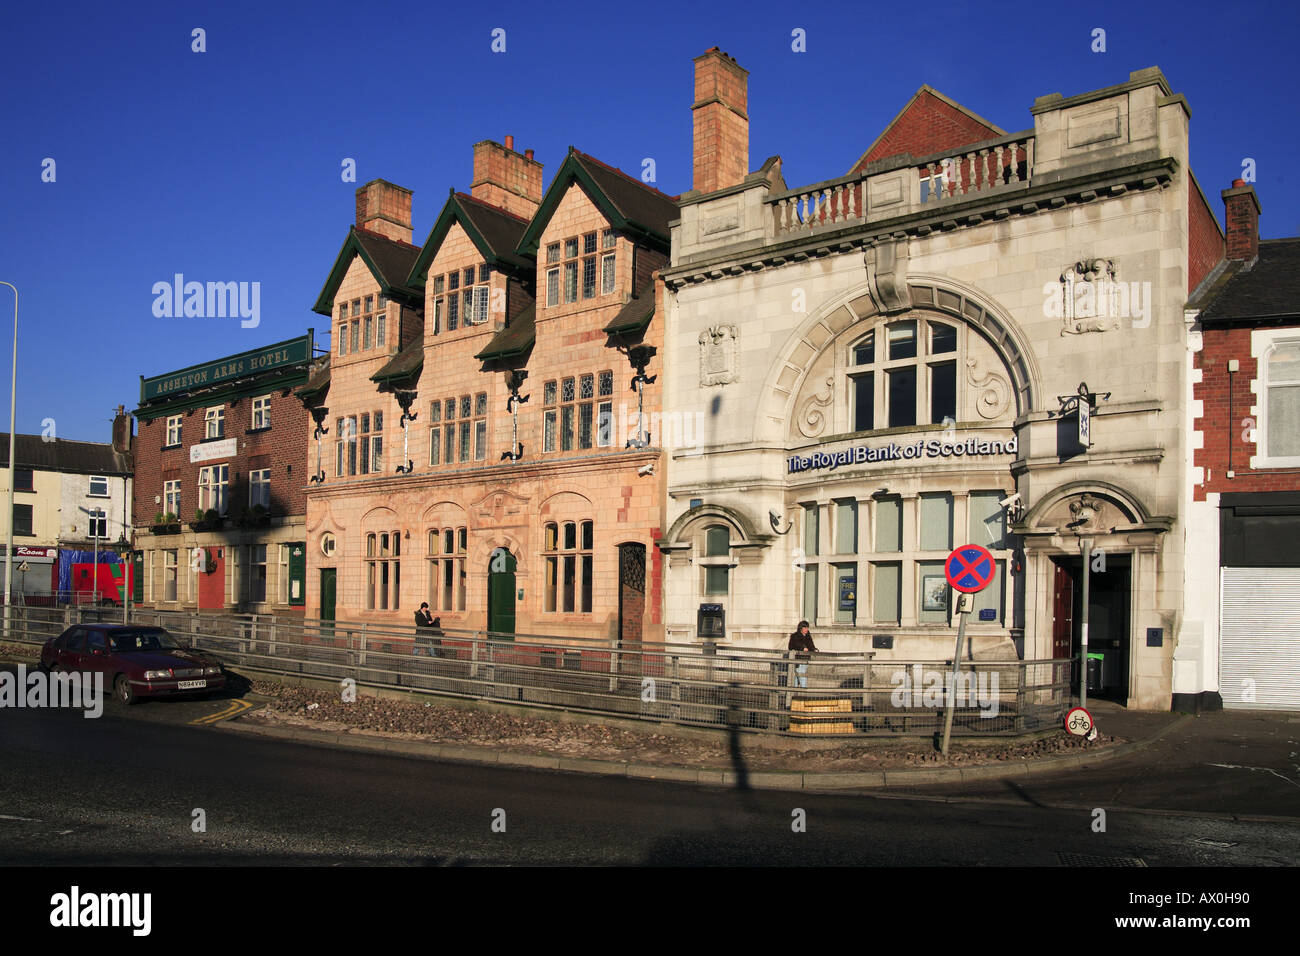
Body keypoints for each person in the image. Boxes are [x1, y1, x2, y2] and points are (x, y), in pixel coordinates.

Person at [788, 620, 817, 689]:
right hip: (798, 659)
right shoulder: (795, 636)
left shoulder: (808, 636)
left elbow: (811, 645)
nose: (807, 629)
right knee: (800, 673)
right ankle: (804, 690)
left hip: (806, 658)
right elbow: (791, 646)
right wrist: (802, 648)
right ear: (801, 628)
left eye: (807, 628)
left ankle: (794, 691)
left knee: (798, 674)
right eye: (805, 628)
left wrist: (814, 649)